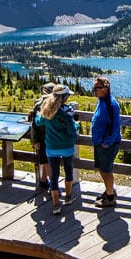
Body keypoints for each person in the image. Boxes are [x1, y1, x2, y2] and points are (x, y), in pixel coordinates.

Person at [34, 84, 79, 215]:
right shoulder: (66, 112)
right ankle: (68, 197)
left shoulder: (47, 111)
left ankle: (55, 205)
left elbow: (38, 122)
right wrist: (77, 126)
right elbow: (71, 129)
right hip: (66, 146)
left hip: (52, 147)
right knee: (68, 170)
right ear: (64, 98)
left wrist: (37, 114)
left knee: (54, 174)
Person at [91, 76, 121, 208]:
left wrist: (107, 142)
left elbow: (115, 126)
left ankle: (110, 198)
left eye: (97, 88)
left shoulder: (111, 104)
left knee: (106, 170)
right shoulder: (102, 101)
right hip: (100, 143)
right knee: (101, 168)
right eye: (94, 88)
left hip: (106, 144)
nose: (95, 90)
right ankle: (109, 190)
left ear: (106, 89)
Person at [29, 82, 55, 191]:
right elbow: (34, 124)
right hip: (43, 138)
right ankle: (53, 186)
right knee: (46, 161)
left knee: (45, 161)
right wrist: (35, 140)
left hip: (49, 137)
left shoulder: (52, 104)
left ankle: (43, 181)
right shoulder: (39, 105)